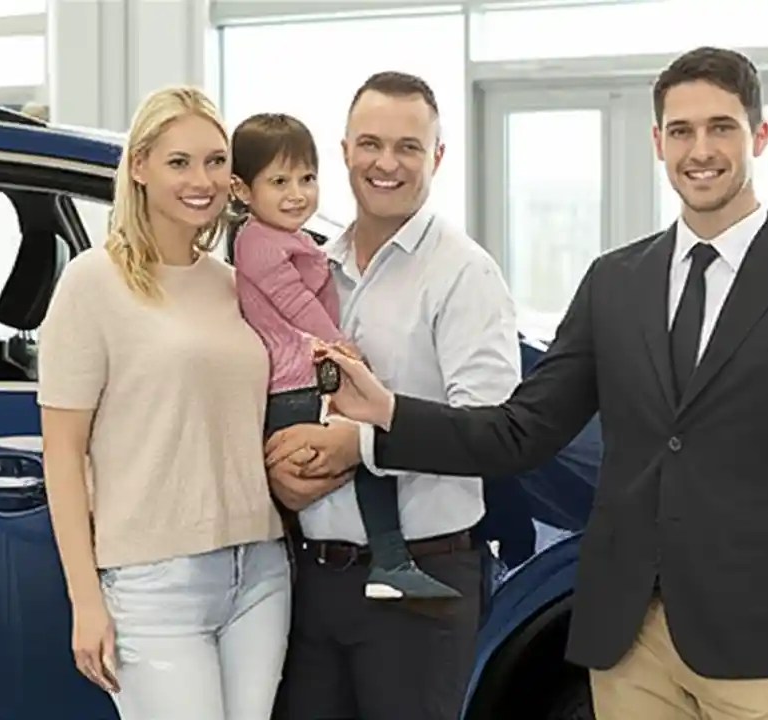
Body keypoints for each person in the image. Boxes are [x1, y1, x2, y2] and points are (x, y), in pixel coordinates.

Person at [298, 47, 768, 720]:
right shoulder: (616, 281)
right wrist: (391, 414)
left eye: (721, 127)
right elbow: (523, 431)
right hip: (627, 641)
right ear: (657, 143)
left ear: (759, 135)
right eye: (681, 130)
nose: (700, 149)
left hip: (764, 646)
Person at [263, 71, 523, 720]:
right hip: (311, 583)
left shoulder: (463, 273)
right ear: (344, 150)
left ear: (437, 158)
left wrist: (356, 445)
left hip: (422, 589)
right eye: (371, 144)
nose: (387, 163)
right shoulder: (311, 270)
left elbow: (491, 431)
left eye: (408, 147)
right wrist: (278, 475)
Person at [37, 85, 291, 720]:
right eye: (179, 162)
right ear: (140, 166)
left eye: (215, 161)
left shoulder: (238, 285)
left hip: (259, 569)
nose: (200, 180)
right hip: (154, 582)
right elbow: (63, 454)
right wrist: (86, 601)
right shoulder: (92, 283)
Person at [229, 111, 462, 601]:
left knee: (364, 453)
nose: (297, 193)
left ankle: (388, 558)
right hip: (296, 385)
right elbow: (294, 302)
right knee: (369, 449)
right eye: (279, 181)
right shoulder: (257, 241)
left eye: (307, 179)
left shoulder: (293, 238)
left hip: (308, 378)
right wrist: (342, 346)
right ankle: (391, 557)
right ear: (242, 191)